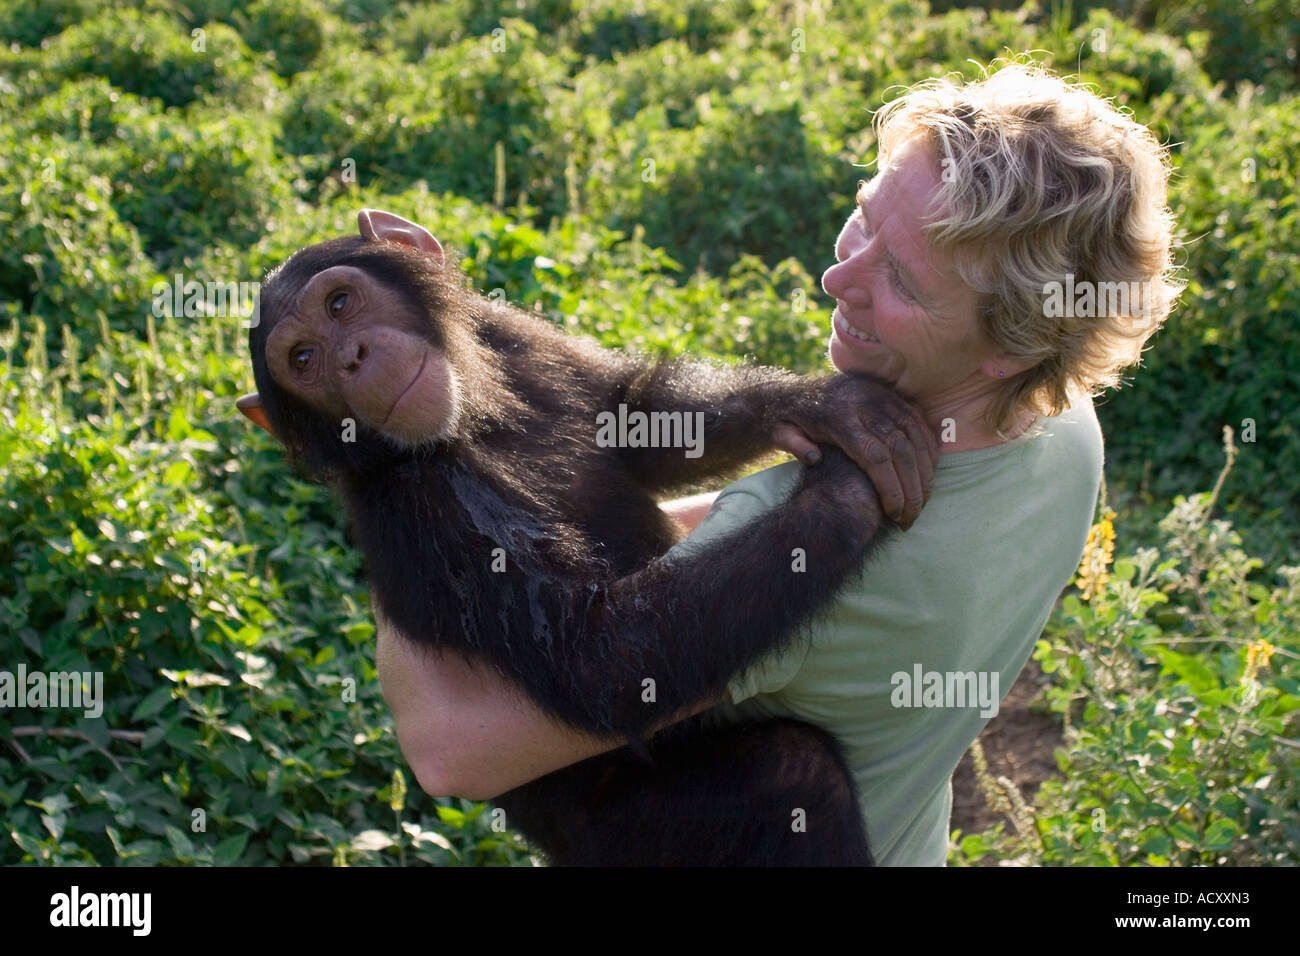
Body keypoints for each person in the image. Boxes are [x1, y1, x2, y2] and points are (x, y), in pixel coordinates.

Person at [375, 60, 1180, 865]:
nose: (838, 275)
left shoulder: (805, 542)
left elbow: (451, 751)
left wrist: (400, 461)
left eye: (899, 277)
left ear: (1008, 345)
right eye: (866, 220)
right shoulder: (1067, 427)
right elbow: (683, 512)